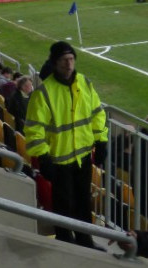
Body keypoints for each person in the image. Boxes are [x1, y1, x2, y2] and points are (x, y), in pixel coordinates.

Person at [25, 41, 110, 249]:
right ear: (54, 63)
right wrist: (43, 157)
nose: (69, 64)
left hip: (83, 158)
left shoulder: (85, 83)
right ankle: (65, 242)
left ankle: (85, 239)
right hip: (59, 160)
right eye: (64, 60)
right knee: (63, 205)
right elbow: (34, 130)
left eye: (71, 59)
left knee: (83, 202)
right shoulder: (44, 93)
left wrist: (101, 141)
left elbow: (97, 114)